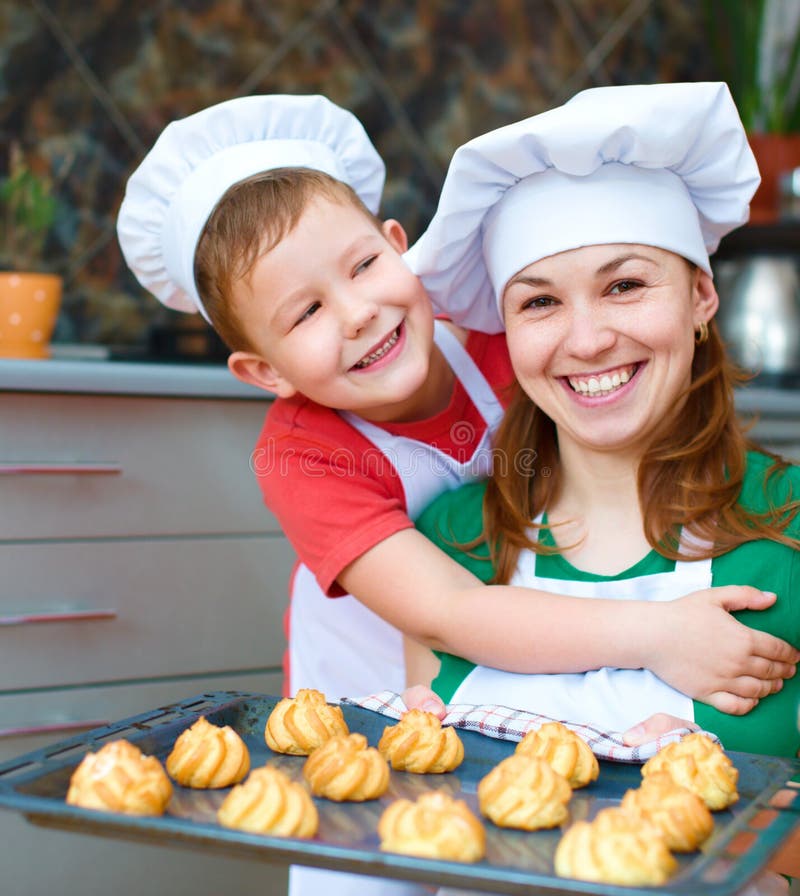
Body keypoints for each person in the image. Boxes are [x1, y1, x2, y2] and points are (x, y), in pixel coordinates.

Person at [116, 91, 796, 896]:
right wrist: (657, 635)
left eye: (363, 267)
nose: (358, 314)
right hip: (388, 656)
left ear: (399, 249)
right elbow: (448, 611)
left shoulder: (498, 347)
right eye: (306, 313)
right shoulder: (308, 458)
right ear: (263, 372)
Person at [403, 78, 800, 896]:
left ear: (701, 295)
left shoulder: (787, 533)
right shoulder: (450, 542)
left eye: (625, 285)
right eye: (540, 302)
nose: (586, 340)